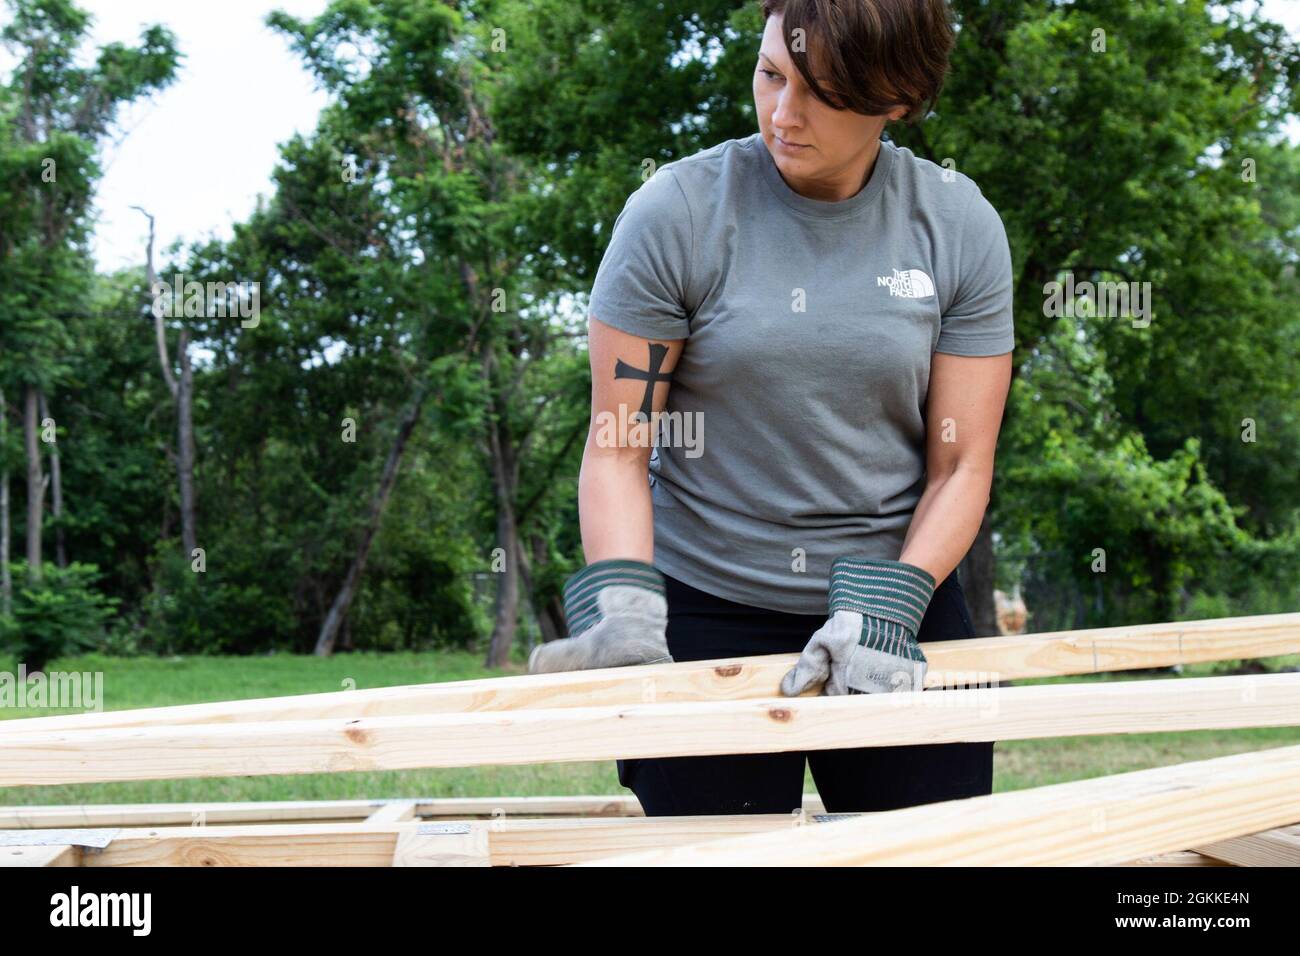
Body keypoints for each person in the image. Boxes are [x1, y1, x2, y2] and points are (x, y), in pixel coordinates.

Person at [529, 0, 1014, 816]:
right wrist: (625, 605)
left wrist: (896, 601)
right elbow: (617, 443)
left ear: (895, 97)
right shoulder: (675, 216)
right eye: (770, 75)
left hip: (899, 593)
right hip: (707, 601)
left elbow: (962, 463)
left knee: (932, 847)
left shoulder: (958, 225)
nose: (783, 115)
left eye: (821, 94)